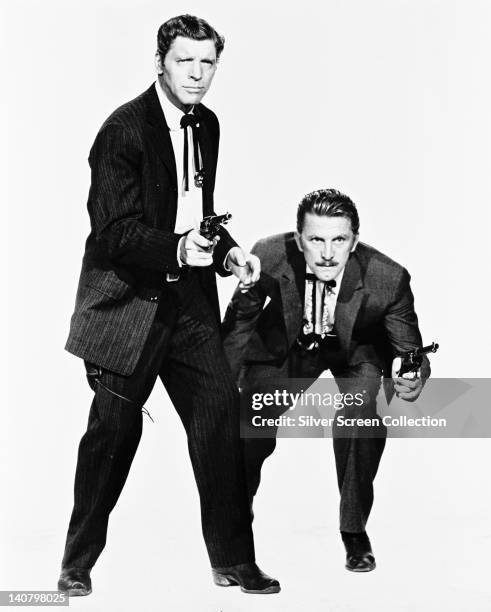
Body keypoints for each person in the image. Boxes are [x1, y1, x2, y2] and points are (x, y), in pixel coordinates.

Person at [58, 15, 280, 596]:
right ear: (160, 62)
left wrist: (229, 254)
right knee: (111, 437)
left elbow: (195, 205)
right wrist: (180, 247)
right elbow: (112, 232)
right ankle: (75, 564)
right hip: (128, 304)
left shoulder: (206, 124)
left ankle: (233, 559)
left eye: (208, 63)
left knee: (221, 426)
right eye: (186, 61)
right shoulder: (123, 131)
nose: (198, 74)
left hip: (189, 303)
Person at [222, 188, 431, 572]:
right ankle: (238, 511)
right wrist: (222, 382)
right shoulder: (267, 254)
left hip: (356, 351)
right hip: (288, 345)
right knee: (248, 416)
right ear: (299, 239)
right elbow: (241, 323)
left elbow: (410, 350)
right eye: (316, 239)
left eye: (339, 239)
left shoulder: (389, 277)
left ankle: (354, 532)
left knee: (361, 414)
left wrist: (413, 374)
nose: (327, 252)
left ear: (354, 241)